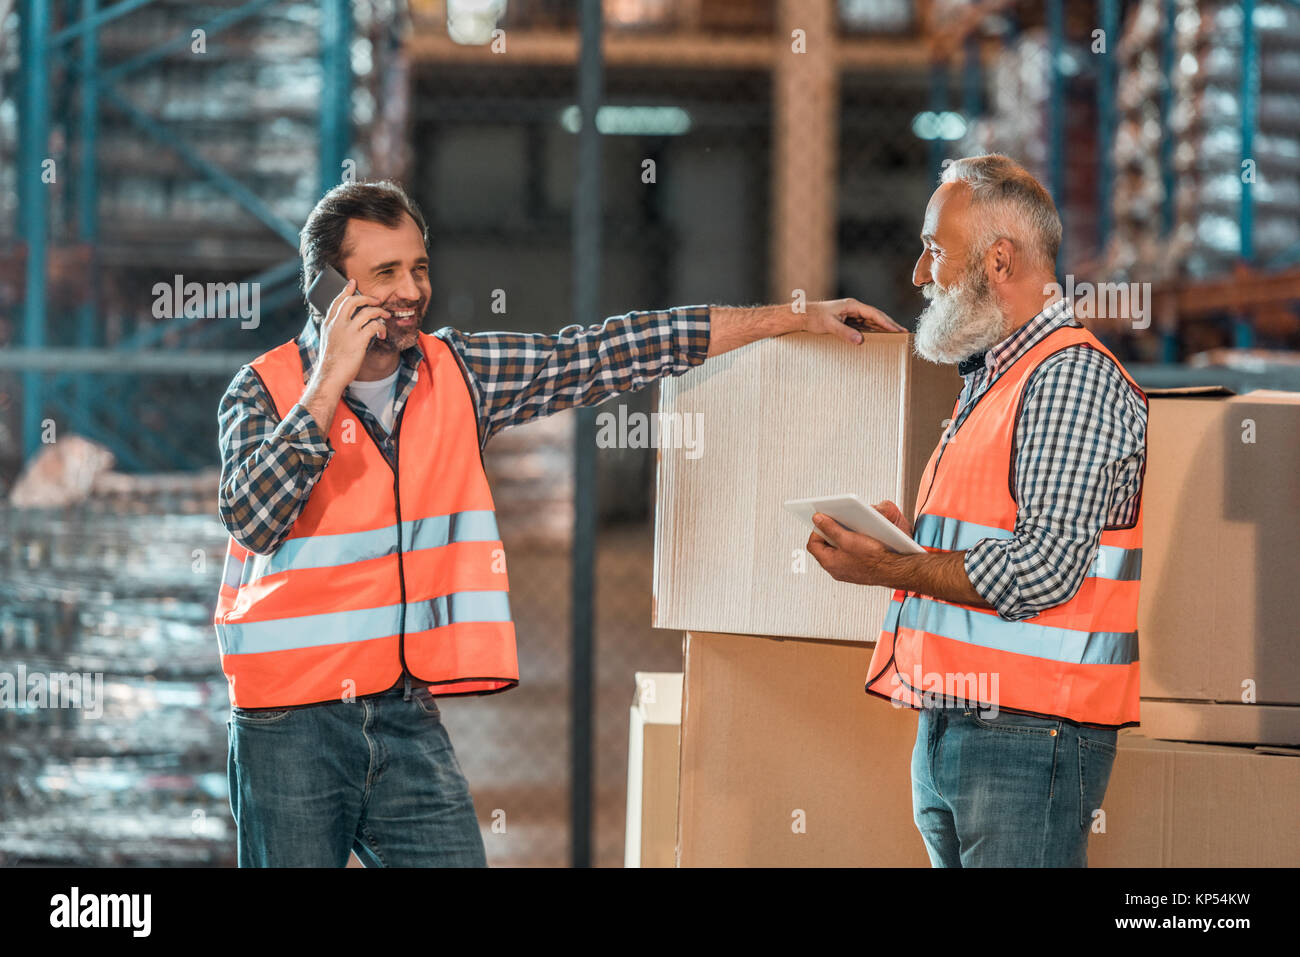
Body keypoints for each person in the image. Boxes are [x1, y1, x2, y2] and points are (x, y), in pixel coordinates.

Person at [215, 178, 903, 867]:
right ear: (329, 290)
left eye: (419, 268)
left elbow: (604, 352)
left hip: (403, 712)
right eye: (385, 272)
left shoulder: (459, 374)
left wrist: (794, 317)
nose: (411, 290)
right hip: (288, 724)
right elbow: (252, 518)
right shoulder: (264, 390)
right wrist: (325, 385)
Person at [805, 154, 1147, 867]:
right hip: (963, 724)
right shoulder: (999, 376)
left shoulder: (1068, 379)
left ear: (999, 260)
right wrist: (906, 540)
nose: (918, 275)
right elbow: (995, 532)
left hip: (1029, 735)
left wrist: (891, 566)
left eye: (935, 251)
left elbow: (1042, 570)